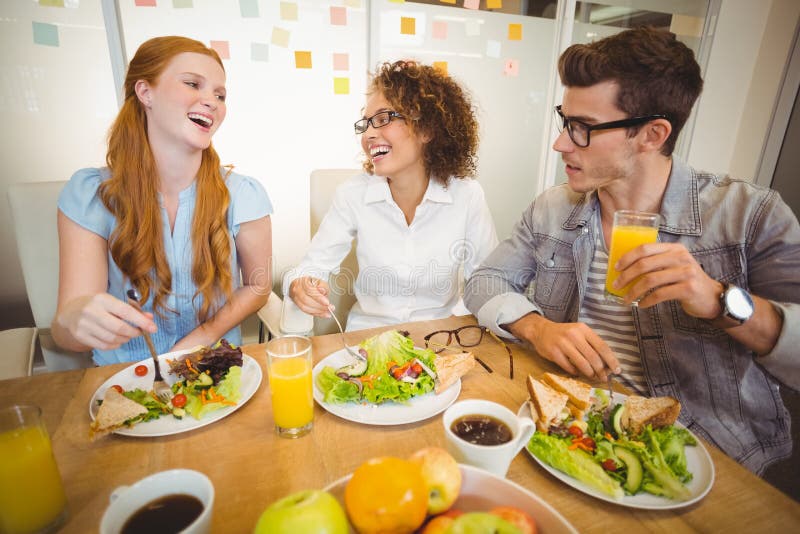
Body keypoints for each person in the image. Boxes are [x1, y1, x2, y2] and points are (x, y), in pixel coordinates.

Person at [464, 27, 800, 474]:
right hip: (574, 429)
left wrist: (718, 299)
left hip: (706, 454)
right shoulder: (553, 208)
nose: (561, 143)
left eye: (584, 128)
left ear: (652, 134)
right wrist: (538, 328)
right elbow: (484, 282)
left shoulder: (748, 216)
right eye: (566, 121)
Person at [53, 36, 273, 365]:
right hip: (128, 377)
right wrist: (74, 321)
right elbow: (65, 333)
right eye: (192, 84)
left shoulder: (244, 194)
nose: (212, 102)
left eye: (220, 95)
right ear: (146, 92)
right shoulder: (90, 194)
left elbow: (258, 285)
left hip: (214, 366)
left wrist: (201, 336)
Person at [285, 60, 498, 331]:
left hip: (440, 339)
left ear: (427, 128)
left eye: (383, 119)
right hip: (369, 339)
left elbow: (487, 283)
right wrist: (301, 286)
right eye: (366, 124)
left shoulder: (467, 195)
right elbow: (309, 268)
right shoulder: (352, 195)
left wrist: (457, 327)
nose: (368, 135)